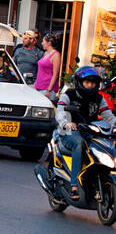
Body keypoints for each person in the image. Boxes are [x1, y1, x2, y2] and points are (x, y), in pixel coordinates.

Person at [53, 65, 116, 200]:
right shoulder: (69, 94)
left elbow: (108, 117)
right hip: (69, 131)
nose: (90, 86)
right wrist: (66, 123)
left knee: (105, 144)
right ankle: (74, 186)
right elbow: (60, 113)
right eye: (87, 82)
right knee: (80, 143)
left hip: (88, 130)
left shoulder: (98, 98)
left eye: (93, 83)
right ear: (80, 82)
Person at [35, 33, 63, 102]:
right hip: (38, 86)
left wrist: (49, 90)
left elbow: (55, 74)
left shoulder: (56, 55)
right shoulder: (45, 53)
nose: (42, 43)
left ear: (49, 43)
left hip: (47, 88)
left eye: (43, 41)